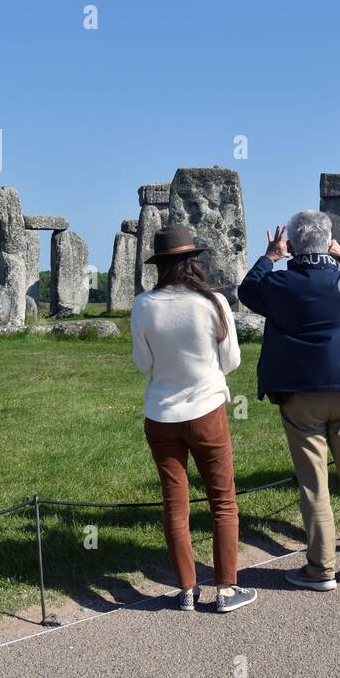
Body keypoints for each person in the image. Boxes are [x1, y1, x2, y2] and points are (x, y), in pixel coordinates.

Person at [237, 210, 340, 590]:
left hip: (301, 391)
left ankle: (321, 567)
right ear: (327, 242)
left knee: (314, 482)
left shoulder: (281, 284)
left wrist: (270, 257)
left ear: (291, 246)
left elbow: (246, 290)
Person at [131, 225, 255, 614]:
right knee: (222, 500)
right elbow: (231, 361)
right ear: (191, 261)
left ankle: (186, 589)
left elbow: (143, 363)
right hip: (207, 410)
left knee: (174, 502)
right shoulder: (214, 302)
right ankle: (225, 589)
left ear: (160, 265)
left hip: (161, 413)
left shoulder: (144, 305)